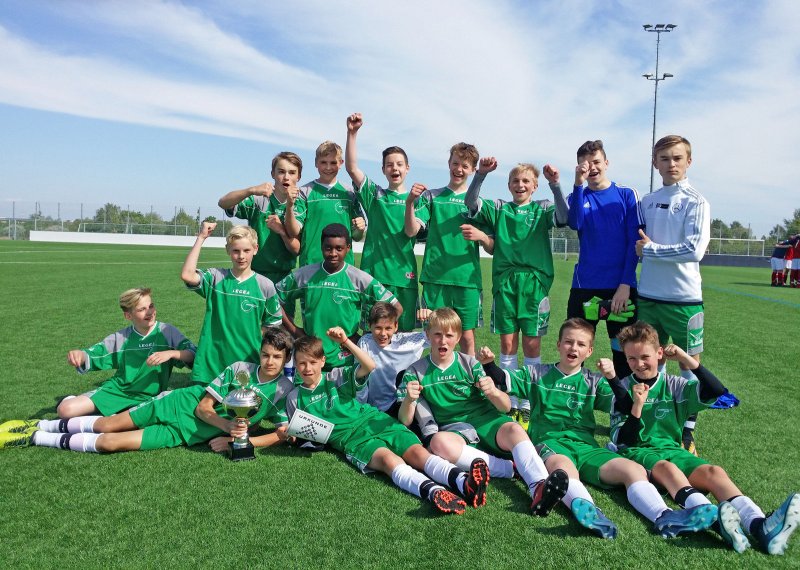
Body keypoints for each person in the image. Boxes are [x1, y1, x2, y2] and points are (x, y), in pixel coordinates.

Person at [479, 318, 718, 540]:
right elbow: (503, 379)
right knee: (562, 469)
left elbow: (624, 405)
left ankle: (663, 516)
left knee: (633, 469)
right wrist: (489, 365)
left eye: (581, 344)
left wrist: (613, 377)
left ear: (589, 351)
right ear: (559, 345)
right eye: (569, 342)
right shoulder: (536, 374)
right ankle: (589, 510)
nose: (574, 348)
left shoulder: (594, 381)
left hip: (587, 447)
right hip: (551, 442)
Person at [610, 321, 800, 555]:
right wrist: (636, 406)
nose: (638, 364)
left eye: (644, 356)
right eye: (631, 358)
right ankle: (713, 518)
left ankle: (760, 526)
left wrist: (685, 358)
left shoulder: (674, 385)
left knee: (714, 472)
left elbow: (716, 391)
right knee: (668, 468)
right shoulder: (622, 389)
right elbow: (624, 442)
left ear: (660, 353)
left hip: (673, 450)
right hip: (640, 453)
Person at [285, 329, 489, 514]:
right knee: (389, 461)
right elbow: (300, 431)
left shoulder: (335, 376)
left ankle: (464, 483)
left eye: (312, 362)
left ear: (322, 361)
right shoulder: (295, 398)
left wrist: (346, 341)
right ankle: (433, 492)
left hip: (374, 420)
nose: (307, 368)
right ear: (295, 363)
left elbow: (369, 365)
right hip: (352, 438)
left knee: (417, 452)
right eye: (301, 363)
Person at [1, 328, 295, 454]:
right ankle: (37, 425)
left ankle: (36, 438)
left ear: (285, 360)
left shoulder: (283, 390)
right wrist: (226, 426)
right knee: (105, 423)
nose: (270, 361)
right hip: (177, 405)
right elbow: (203, 407)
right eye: (266, 354)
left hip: (184, 435)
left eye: (277, 357)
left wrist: (236, 442)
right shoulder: (239, 368)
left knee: (108, 443)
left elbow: (281, 432)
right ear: (261, 352)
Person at [397, 308, 569, 516]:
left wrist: (493, 391)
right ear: (427, 335)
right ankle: (512, 468)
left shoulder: (469, 364)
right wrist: (409, 399)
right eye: (437, 334)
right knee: (438, 443)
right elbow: (405, 420)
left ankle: (539, 487)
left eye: (449, 335)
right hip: (455, 429)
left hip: (487, 420)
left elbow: (505, 407)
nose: (443, 341)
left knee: (514, 429)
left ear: (458, 337)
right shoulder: (415, 371)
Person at [464, 157, 568, 427]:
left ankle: (527, 403)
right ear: (509, 185)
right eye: (515, 181)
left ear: (534, 186)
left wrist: (555, 185)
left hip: (534, 284)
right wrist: (481, 175)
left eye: (525, 181)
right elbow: (471, 203)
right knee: (507, 345)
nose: (520, 185)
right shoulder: (500, 208)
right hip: (506, 283)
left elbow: (564, 216)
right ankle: (509, 401)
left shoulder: (542, 208)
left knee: (532, 345)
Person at [636, 135, 711, 454]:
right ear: (655, 163)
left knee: (688, 364)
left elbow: (695, 250)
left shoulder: (696, 201)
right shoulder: (647, 201)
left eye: (677, 158)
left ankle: (687, 430)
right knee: (649, 362)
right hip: (649, 295)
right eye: (664, 158)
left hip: (684, 299)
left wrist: (651, 250)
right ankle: (654, 419)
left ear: (689, 161)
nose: (671, 164)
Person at [404, 143, 492, 355]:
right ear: (448, 164)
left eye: (464, 165)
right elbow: (411, 231)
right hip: (436, 278)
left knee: (467, 337)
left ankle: (467, 382)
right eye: (455, 163)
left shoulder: (479, 204)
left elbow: (492, 248)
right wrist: (410, 204)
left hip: (467, 280)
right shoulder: (431, 197)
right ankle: (435, 380)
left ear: (472, 170)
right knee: (435, 335)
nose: (459, 169)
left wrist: (480, 236)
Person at [54, 287, 195, 419]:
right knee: (66, 410)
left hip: (150, 397)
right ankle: (69, 400)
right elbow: (95, 353)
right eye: (142, 309)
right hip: (119, 391)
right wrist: (80, 355)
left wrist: (171, 354)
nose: (149, 312)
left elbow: (194, 354)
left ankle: (110, 416)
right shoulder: (121, 338)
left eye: (151, 306)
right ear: (128, 315)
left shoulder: (167, 331)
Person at [276, 223, 401, 370]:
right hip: (311, 357)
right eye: (328, 248)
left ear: (348, 248)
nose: (333, 253)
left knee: (345, 393)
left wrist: (367, 335)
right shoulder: (304, 275)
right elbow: (273, 298)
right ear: (322, 247)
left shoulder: (360, 279)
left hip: (346, 359)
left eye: (339, 248)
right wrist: (296, 332)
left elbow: (396, 307)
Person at [566, 140, 641, 379]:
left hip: (619, 289)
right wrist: (578, 185)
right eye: (585, 165)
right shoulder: (577, 195)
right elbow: (575, 223)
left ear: (606, 163)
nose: (592, 168)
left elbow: (633, 243)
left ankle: (623, 406)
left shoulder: (627, 195)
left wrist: (625, 285)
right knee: (574, 348)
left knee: (623, 352)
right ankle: (573, 402)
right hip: (584, 286)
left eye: (596, 162)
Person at [345, 113, 424, 331]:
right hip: (374, 275)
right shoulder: (375, 195)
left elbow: (411, 232)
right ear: (383, 170)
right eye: (389, 165)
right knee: (373, 332)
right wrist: (352, 133)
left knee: (402, 333)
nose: (395, 168)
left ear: (407, 168)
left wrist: (409, 203)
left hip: (404, 276)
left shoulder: (419, 201)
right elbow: (352, 168)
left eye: (399, 164)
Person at [181, 222, 283, 385]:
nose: (241, 256)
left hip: (247, 362)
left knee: (240, 407)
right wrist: (201, 238)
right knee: (202, 408)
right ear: (228, 250)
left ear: (255, 249)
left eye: (246, 250)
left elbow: (273, 326)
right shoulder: (216, 278)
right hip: (212, 362)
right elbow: (187, 275)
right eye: (236, 250)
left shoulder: (265, 285)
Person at [217, 151, 302, 285]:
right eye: (281, 171)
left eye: (292, 172)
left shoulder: (300, 204)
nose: (286, 177)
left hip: (284, 278)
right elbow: (223, 203)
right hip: (255, 275)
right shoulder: (259, 200)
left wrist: (282, 230)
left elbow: (296, 248)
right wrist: (251, 190)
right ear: (272, 174)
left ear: (299, 176)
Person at [284, 140, 364, 267]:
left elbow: (357, 236)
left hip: (343, 266)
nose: (328, 167)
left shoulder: (349, 193)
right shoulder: (305, 192)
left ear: (341, 163)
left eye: (333, 163)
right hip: (311, 264)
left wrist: (360, 228)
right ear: (316, 162)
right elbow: (293, 231)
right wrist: (289, 205)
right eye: (323, 162)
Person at [355, 302, 428, 416]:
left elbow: (436, 335)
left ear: (396, 326)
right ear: (370, 326)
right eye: (378, 328)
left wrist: (433, 316)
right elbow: (360, 380)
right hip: (373, 407)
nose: (383, 334)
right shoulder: (365, 343)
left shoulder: (407, 342)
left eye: (388, 328)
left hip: (402, 404)